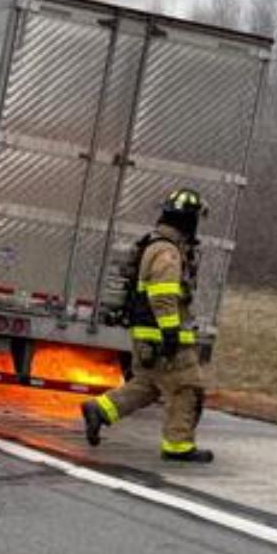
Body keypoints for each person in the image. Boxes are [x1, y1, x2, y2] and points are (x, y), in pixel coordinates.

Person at [82, 188, 215, 463]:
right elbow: (163, 295)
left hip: (146, 336)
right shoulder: (167, 252)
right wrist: (170, 333)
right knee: (187, 387)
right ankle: (178, 446)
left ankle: (100, 409)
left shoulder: (155, 244)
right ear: (188, 220)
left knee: (148, 385)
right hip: (161, 335)